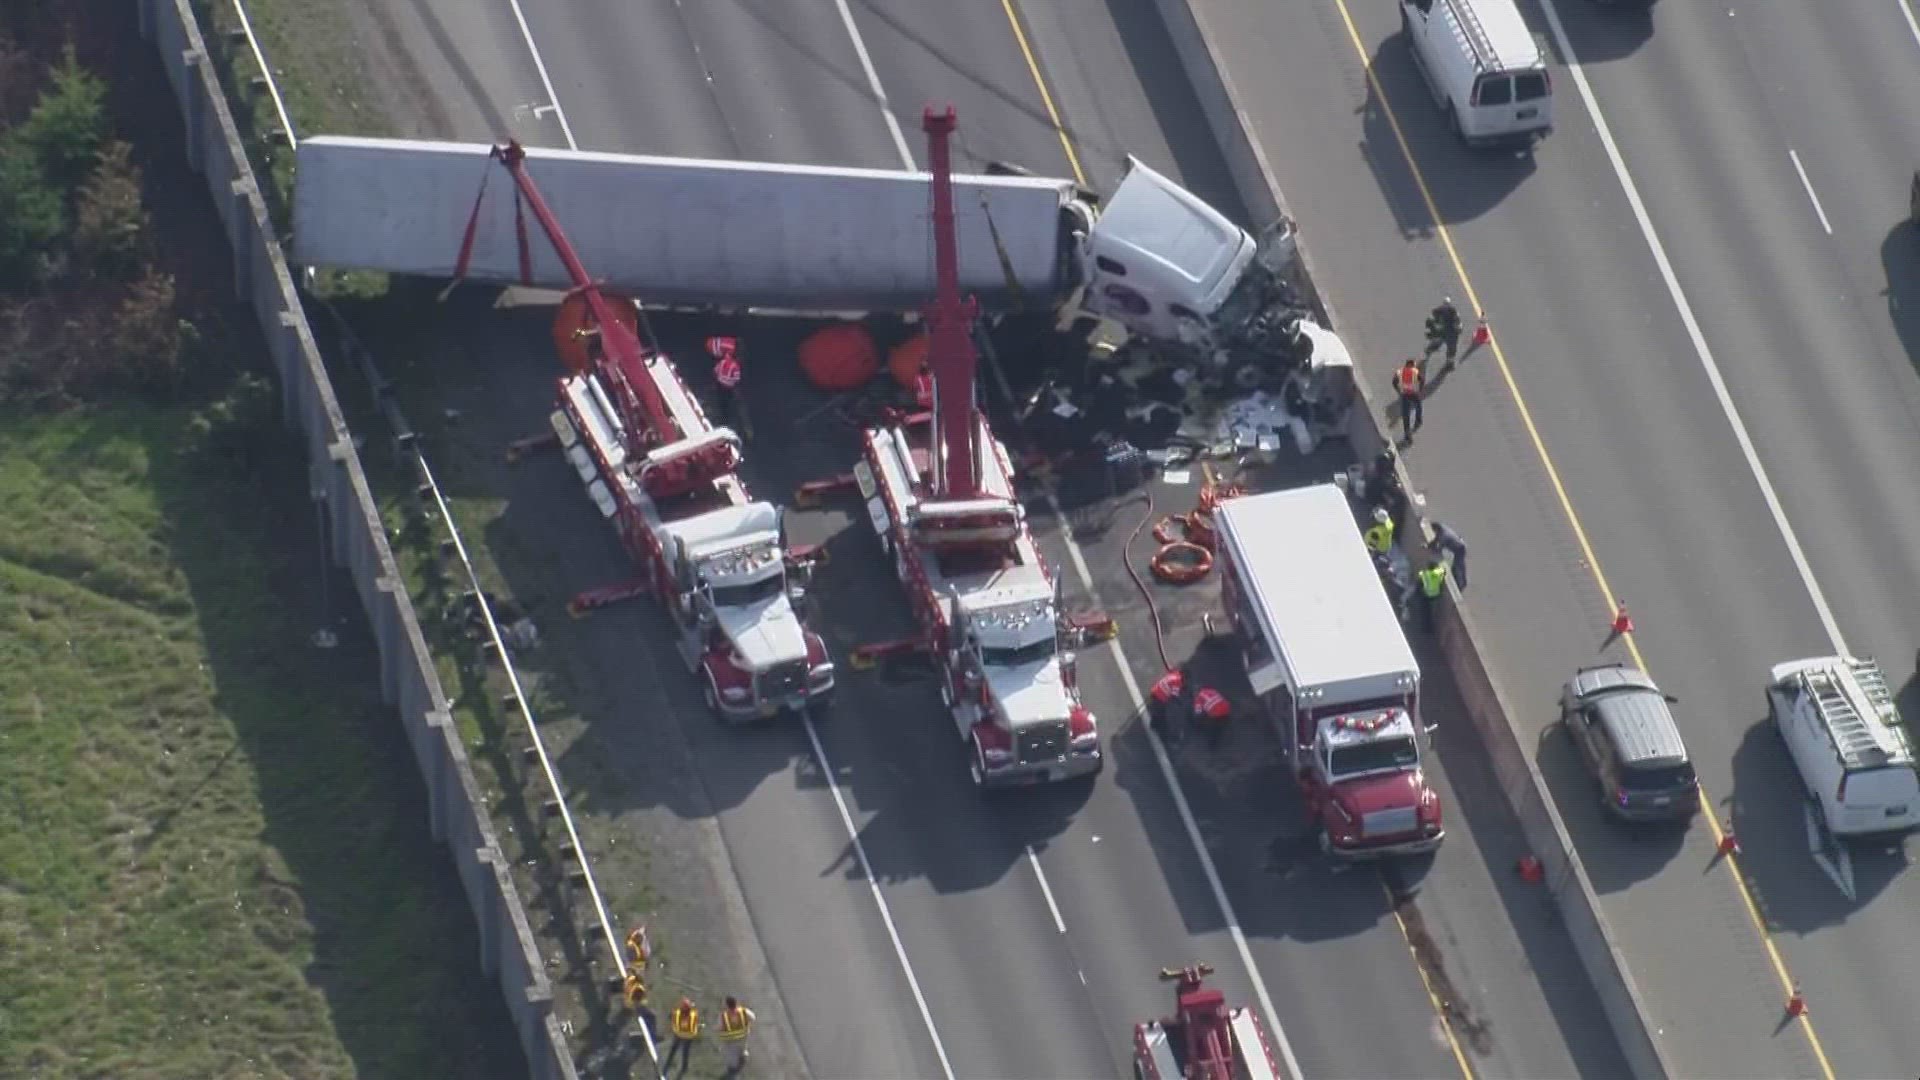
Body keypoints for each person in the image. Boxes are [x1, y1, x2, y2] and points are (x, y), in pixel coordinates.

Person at [718, 996, 756, 1073]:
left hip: (731, 1040)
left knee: (732, 1055)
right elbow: (753, 1018)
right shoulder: (743, 1011)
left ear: (727, 1005)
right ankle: (743, 1057)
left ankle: (733, 1070)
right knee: (742, 1049)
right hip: (743, 1036)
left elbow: (720, 1027)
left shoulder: (724, 1016)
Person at [1149, 668, 1186, 746]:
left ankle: (1154, 723)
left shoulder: (1174, 674)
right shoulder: (1178, 682)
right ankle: (1156, 725)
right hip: (1160, 697)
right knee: (1161, 712)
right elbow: (1174, 696)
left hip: (1155, 691)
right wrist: (1180, 703)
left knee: (1157, 710)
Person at [665, 997, 701, 1074]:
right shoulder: (693, 1014)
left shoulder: (677, 1013)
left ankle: (668, 1062)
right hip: (689, 1036)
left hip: (679, 1034)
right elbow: (696, 1021)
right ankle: (684, 1067)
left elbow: (670, 1016)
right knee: (685, 1052)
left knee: (673, 1049)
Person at [1429, 520, 1469, 588]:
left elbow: (1439, 547)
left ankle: (1462, 583)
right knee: (1459, 564)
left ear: (1436, 529)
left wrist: (1433, 549)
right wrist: (1429, 545)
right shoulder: (1442, 529)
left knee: (1458, 565)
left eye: (1434, 530)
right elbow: (1436, 539)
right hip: (1458, 546)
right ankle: (1462, 580)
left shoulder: (1444, 535)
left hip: (1459, 549)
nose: (1434, 532)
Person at [1393, 358, 1424, 440]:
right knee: (1418, 406)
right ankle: (1418, 420)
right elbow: (1422, 380)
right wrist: (1420, 390)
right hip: (1414, 393)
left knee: (1406, 414)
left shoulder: (1400, 372)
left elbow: (1394, 382)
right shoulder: (1415, 371)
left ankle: (1407, 433)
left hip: (1404, 394)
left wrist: (1398, 391)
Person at [1417, 558, 1449, 632]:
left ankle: (1424, 627)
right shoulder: (1437, 573)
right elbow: (1444, 570)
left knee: (1425, 612)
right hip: (1435, 595)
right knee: (1431, 613)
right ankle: (1430, 627)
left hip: (1426, 595)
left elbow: (1420, 578)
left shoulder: (1424, 574)